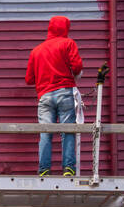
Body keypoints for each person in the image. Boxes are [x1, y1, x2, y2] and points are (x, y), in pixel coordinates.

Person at [24, 15, 84, 178]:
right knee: (67, 131)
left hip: (44, 96)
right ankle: (68, 169)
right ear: (66, 28)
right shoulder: (68, 44)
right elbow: (77, 66)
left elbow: (29, 79)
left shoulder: (37, 51)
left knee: (45, 132)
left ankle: (44, 170)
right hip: (65, 91)